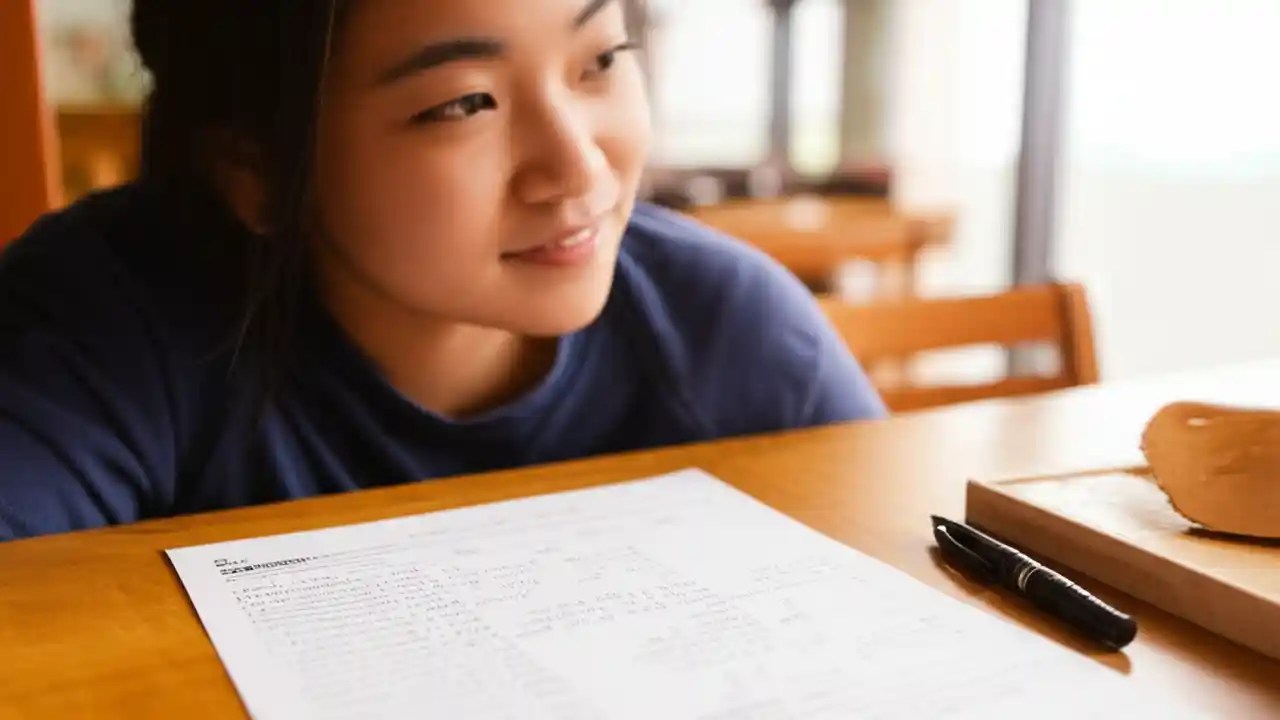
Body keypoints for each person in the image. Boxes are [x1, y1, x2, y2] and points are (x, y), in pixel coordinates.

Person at [0, 0, 885, 542]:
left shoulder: (731, 329)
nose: (579, 170)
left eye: (601, 60)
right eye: (465, 102)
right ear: (258, 175)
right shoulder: (93, 323)